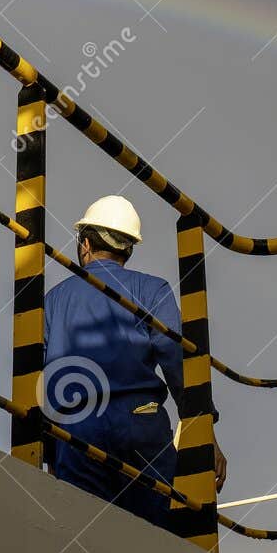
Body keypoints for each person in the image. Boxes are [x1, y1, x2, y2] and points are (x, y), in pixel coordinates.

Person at [41, 195, 226, 528]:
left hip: (77, 431)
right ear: (128, 248)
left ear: (85, 244)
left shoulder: (53, 302)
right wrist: (205, 433)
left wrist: (47, 450)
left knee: (83, 539)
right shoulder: (153, 291)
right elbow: (179, 364)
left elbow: (41, 380)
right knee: (157, 540)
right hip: (141, 427)